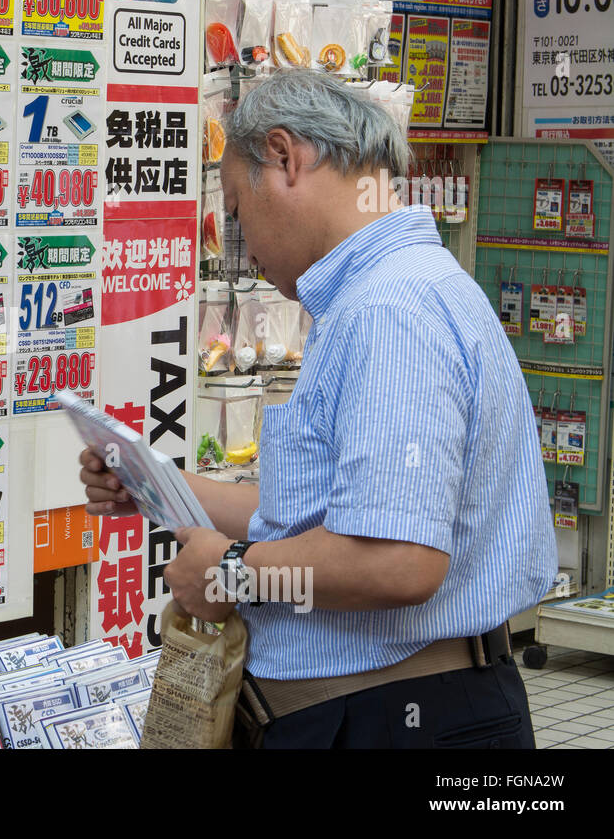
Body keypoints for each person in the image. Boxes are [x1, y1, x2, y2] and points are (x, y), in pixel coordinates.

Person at [79, 68, 557, 748]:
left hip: (396, 718)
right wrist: (158, 485)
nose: (242, 245)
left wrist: (232, 572)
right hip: (404, 710)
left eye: (238, 213)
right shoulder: (394, 295)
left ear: (284, 156)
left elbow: (397, 561)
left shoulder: (390, 311)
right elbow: (319, 518)